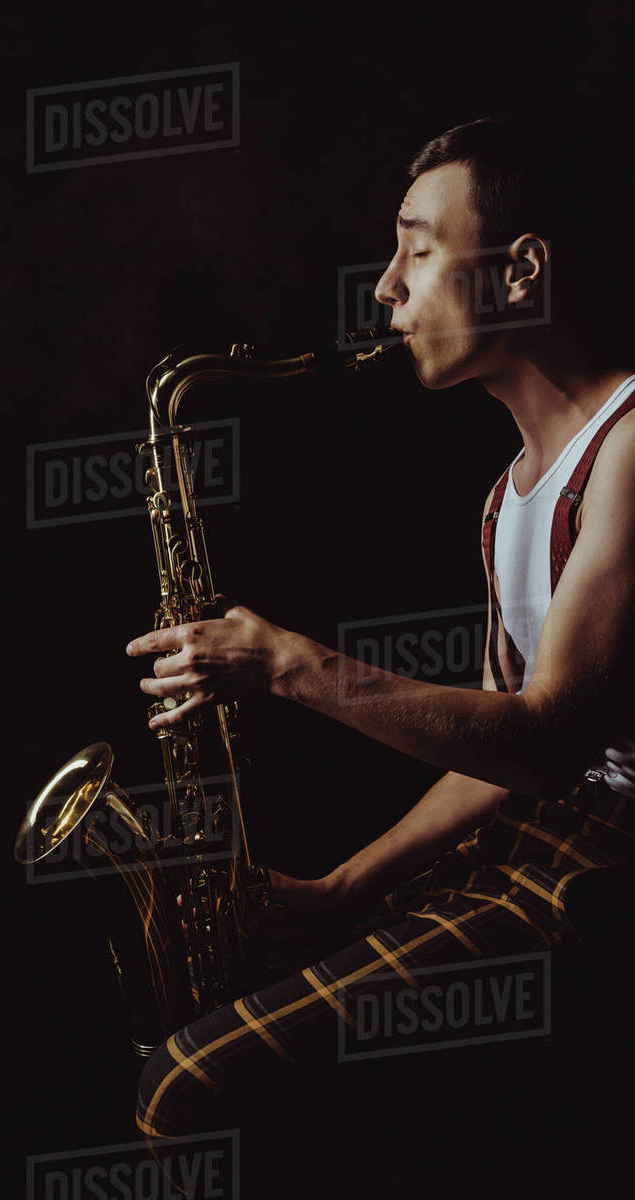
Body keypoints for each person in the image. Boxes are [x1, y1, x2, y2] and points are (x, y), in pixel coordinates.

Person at [125, 115, 635, 1180]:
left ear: (522, 269)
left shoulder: (631, 447)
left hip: (609, 869)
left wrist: (287, 664)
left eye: (419, 247)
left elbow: (545, 746)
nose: (385, 291)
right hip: (543, 843)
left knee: (187, 1090)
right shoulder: (505, 500)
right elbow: (497, 758)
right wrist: (337, 891)